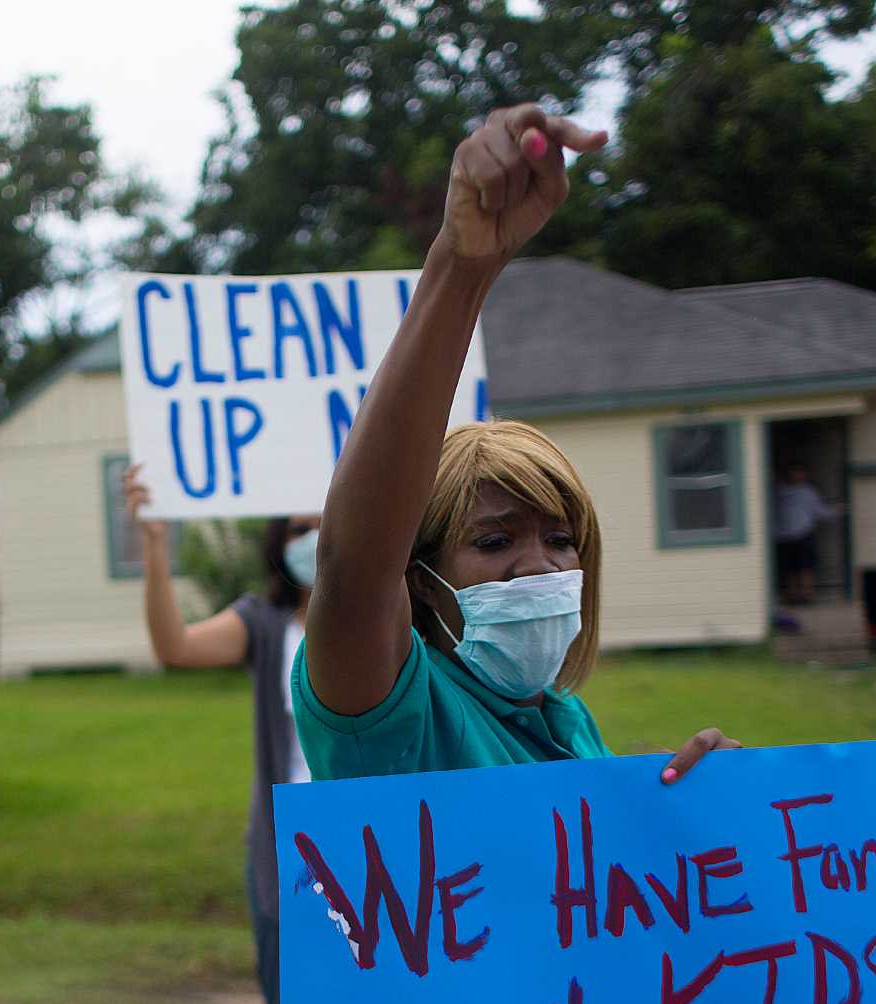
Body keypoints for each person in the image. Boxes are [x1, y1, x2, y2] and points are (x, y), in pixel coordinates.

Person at [295, 104, 739, 786]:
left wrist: (695, 808)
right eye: (495, 541)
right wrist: (461, 267)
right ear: (420, 578)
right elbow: (353, 567)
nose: (539, 566)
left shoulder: (568, 718)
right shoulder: (390, 715)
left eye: (561, 539)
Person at [123, 465, 314, 1004]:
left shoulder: (400, 613)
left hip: (385, 863)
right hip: (290, 866)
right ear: (280, 543)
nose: (316, 542)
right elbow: (174, 647)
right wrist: (157, 549)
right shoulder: (268, 622)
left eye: (330, 522)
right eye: (301, 527)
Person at [774, 461, 842, 605]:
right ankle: (792, 596)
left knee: (805, 568)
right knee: (791, 568)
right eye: (795, 472)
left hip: (803, 534)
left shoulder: (808, 492)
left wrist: (836, 511)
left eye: (800, 472)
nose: (798, 475)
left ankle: (806, 595)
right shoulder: (779, 491)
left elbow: (820, 512)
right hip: (785, 536)